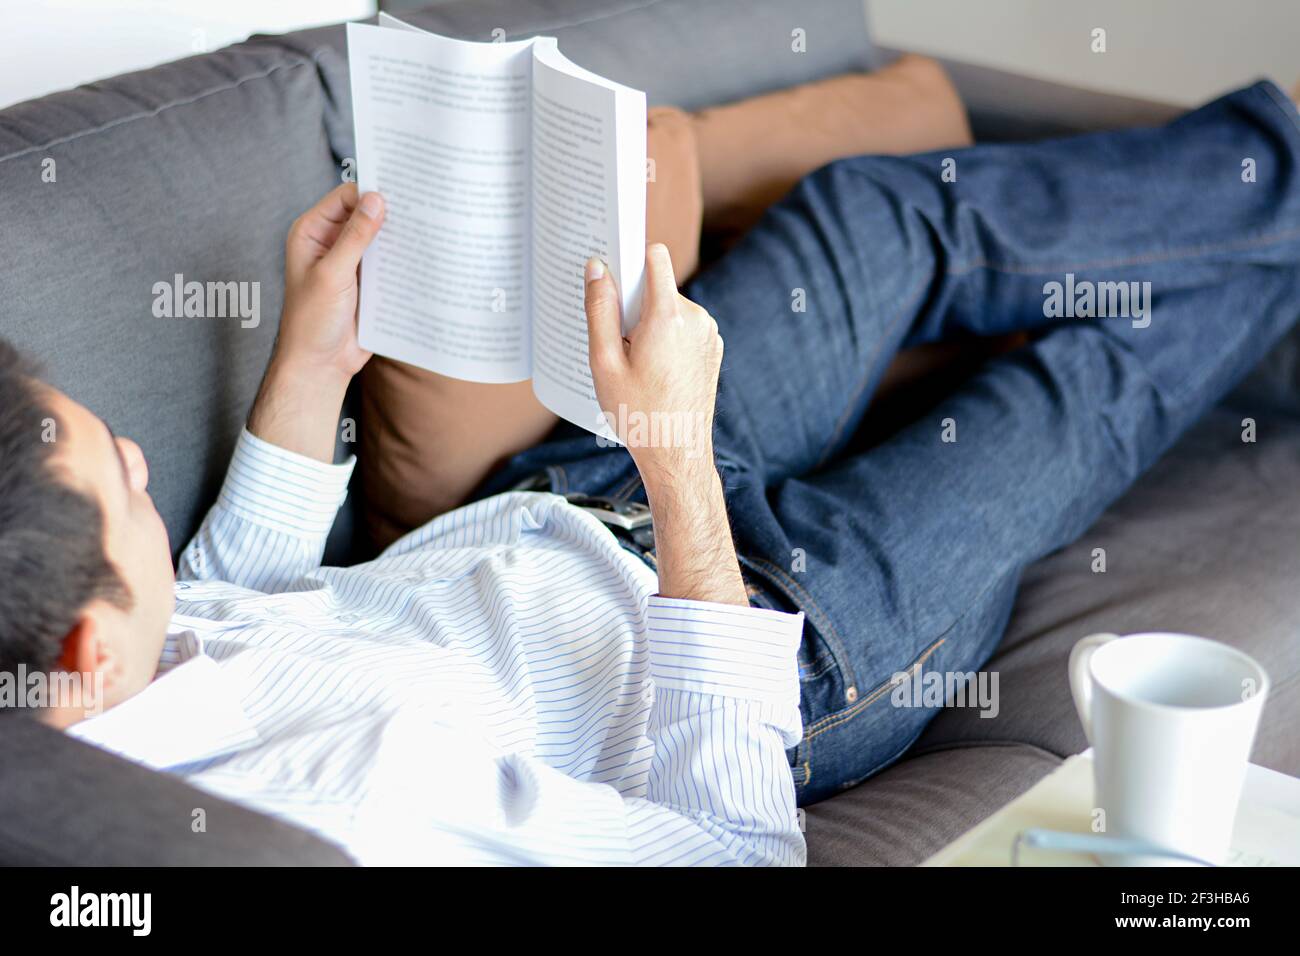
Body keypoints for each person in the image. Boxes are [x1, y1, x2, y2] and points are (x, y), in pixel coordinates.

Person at [2, 70, 1298, 865]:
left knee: (867, 213)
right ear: (79, 661)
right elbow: (733, 854)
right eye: (123, 485)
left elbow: (225, 602)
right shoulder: (352, 809)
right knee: (1092, 372)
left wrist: (313, 364)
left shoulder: (92, 688)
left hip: (571, 480)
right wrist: (679, 468)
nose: (135, 452)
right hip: (792, 635)